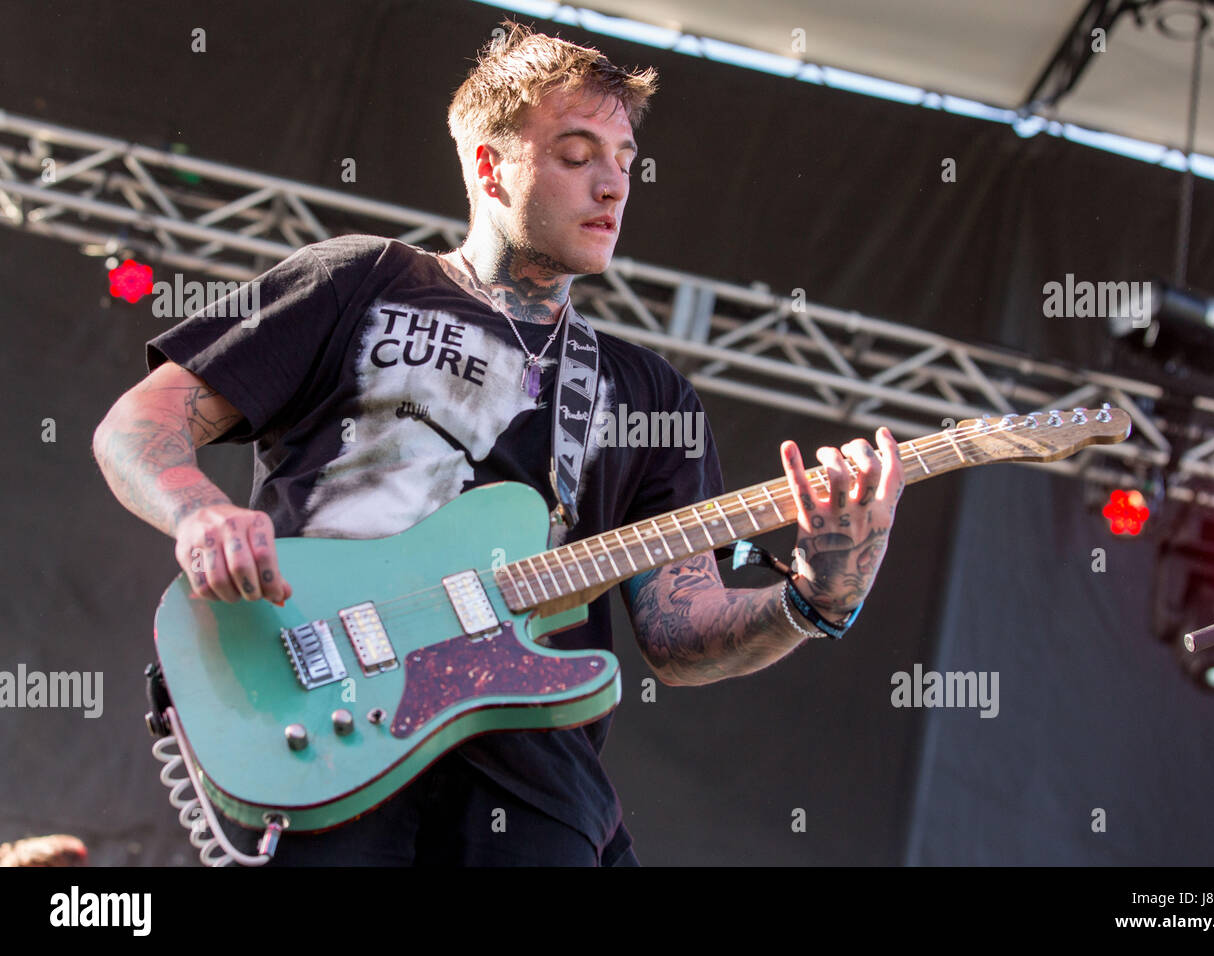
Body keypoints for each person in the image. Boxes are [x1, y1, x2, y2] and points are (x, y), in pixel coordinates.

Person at [91, 21, 904, 867]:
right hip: (327, 722)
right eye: (578, 153)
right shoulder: (357, 279)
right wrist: (198, 516)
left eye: (624, 161)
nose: (612, 187)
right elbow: (137, 426)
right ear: (489, 165)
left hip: (535, 783)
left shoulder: (650, 393)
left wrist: (816, 599)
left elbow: (678, 631)